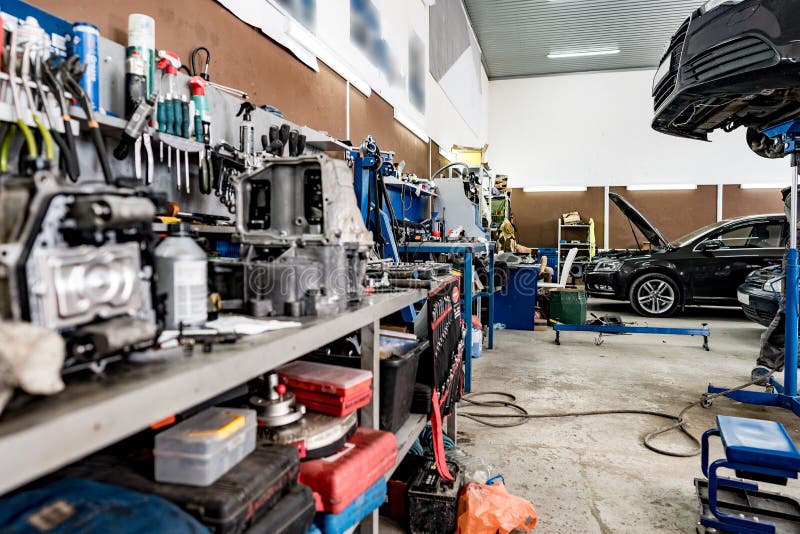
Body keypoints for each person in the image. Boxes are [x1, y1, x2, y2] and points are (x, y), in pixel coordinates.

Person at [752, 187, 799, 384]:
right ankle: (767, 363)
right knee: (791, 310)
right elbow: (797, 223)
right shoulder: (795, 197)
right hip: (796, 256)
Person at [496, 218, 553, 283]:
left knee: (546, 264)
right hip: (520, 263)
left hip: (527, 260)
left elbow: (526, 251)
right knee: (548, 271)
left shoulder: (514, 243)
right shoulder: (503, 243)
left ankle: (542, 274)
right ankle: (543, 278)